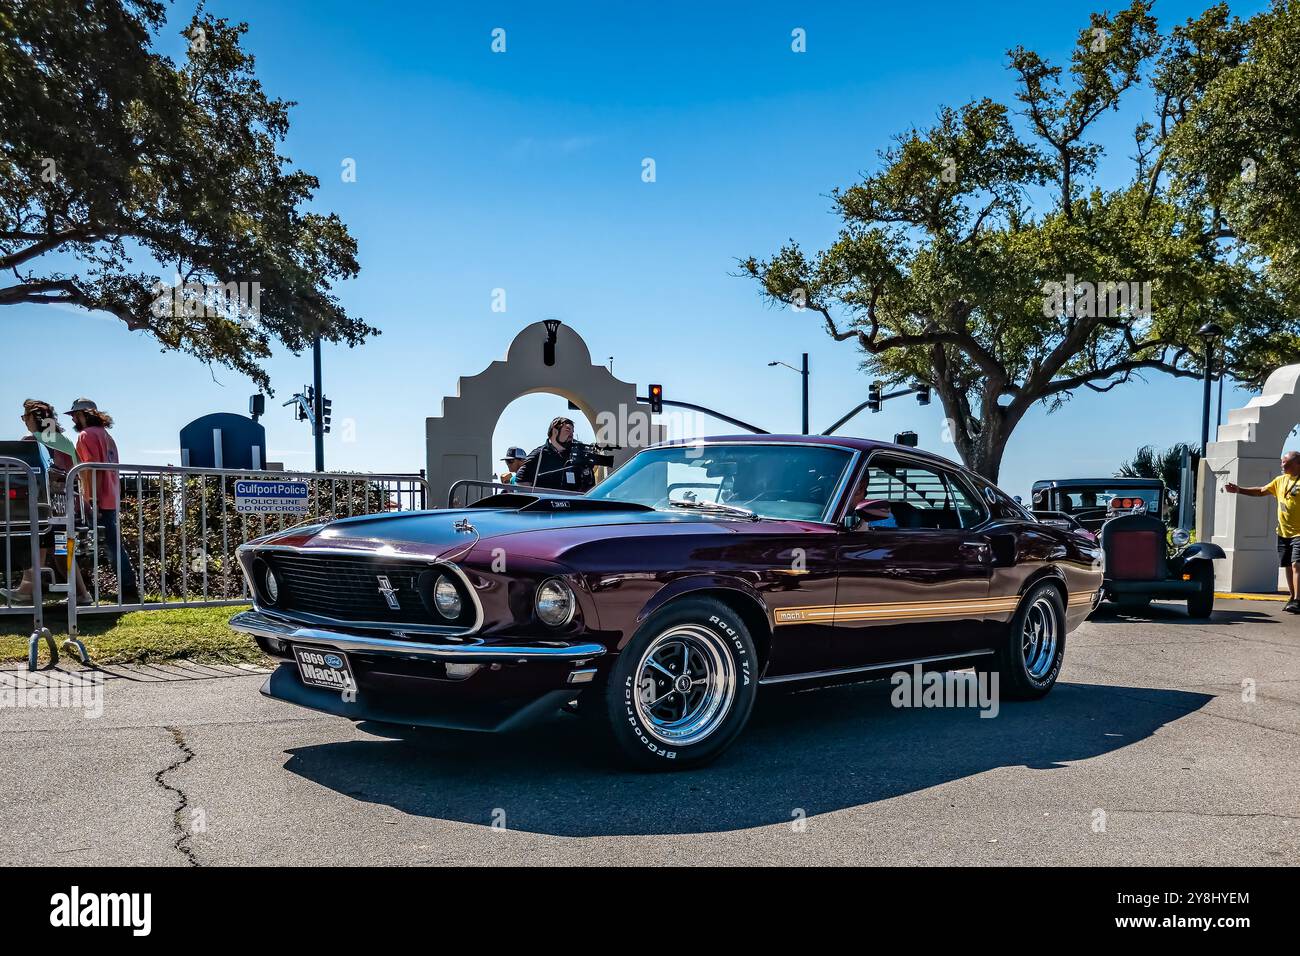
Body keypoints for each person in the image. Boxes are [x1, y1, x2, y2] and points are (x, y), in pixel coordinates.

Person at [0, 400, 91, 604]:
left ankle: (27, 590)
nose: (24, 421)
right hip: (66, 506)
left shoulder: (30, 441)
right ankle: (82, 594)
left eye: (25, 417)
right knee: (61, 550)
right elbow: (79, 472)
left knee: (33, 544)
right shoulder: (64, 441)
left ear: (34, 418)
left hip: (41, 506)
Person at [66, 398, 139, 604]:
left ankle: (118, 589)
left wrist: (92, 499)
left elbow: (91, 470)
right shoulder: (106, 435)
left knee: (92, 545)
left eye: (74, 414)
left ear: (82, 415)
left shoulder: (85, 435)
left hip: (97, 498)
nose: (73, 418)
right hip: (111, 495)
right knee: (112, 545)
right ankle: (127, 587)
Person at [1226, 450, 1300, 613]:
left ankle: (1298, 599)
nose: (1281, 464)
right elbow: (1260, 491)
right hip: (1283, 531)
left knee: (1297, 564)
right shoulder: (1280, 481)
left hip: (1299, 533)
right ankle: (1293, 597)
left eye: (1284, 461)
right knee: (1287, 565)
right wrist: (1239, 490)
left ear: (1296, 464)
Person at [515, 417, 580, 491]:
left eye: (572, 432)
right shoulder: (538, 455)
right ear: (555, 431)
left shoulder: (574, 456)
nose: (571, 435)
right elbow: (521, 482)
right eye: (568, 430)